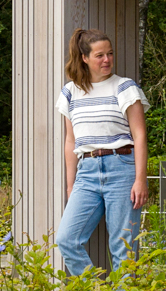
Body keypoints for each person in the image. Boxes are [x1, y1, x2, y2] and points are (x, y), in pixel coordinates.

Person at [57, 27, 147, 273]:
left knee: (123, 248)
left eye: (110, 54)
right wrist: (70, 184)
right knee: (66, 240)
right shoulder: (70, 93)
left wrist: (140, 179)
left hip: (122, 168)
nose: (106, 60)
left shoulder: (124, 87)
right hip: (86, 172)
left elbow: (139, 135)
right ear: (84, 58)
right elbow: (70, 141)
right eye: (99, 55)